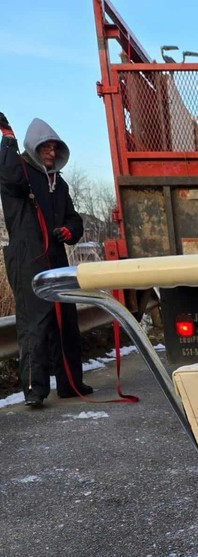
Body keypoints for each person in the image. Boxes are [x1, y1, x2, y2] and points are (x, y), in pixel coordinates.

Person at [0, 114, 93, 408]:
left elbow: (74, 218)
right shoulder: (20, 173)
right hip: (27, 257)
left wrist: (69, 231)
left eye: (54, 148)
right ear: (33, 147)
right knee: (36, 323)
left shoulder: (59, 184)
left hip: (56, 257)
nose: (51, 153)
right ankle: (34, 390)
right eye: (45, 147)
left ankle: (70, 384)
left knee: (66, 321)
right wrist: (8, 140)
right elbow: (9, 178)